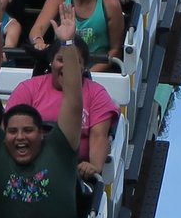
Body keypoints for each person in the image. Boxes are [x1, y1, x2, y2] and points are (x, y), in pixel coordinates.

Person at [0, 28, 88, 218]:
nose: (20, 137)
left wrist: (69, 43)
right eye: (12, 131)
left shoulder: (60, 149)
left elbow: (73, 99)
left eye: (28, 131)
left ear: (42, 133)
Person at [6, 43, 119, 182]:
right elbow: (7, 131)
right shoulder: (28, 88)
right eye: (61, 60)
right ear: (51, 62)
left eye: (74, 62)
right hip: (28, 170)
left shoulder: (97, 94)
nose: (67, 66)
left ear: (84, 67)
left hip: (74, 175)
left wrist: (93, 166)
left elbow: (99, 136)